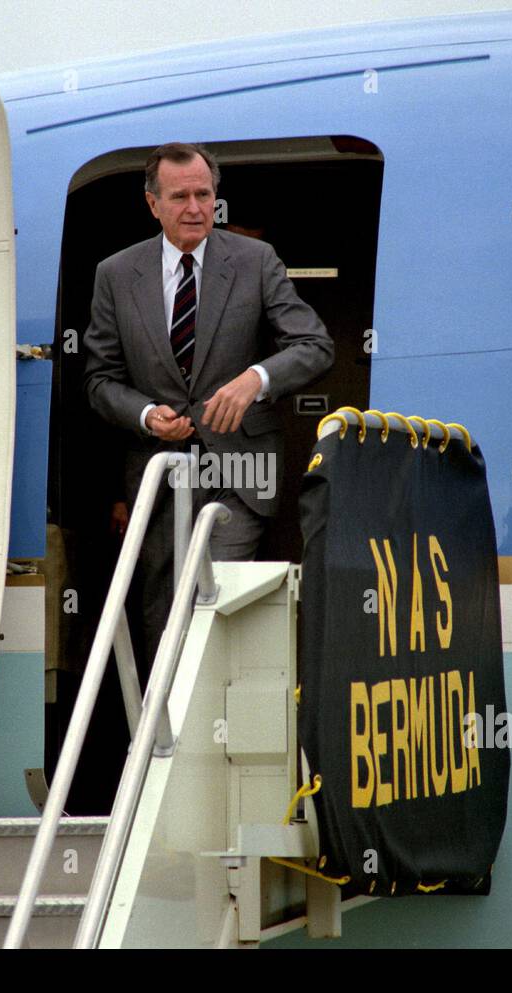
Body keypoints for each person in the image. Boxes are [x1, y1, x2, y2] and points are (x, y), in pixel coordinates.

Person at [84, 142, 333, 662]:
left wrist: (256, 379)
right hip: (159, 472)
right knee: (161, 608)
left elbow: (314, 345)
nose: (195, 208)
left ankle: (208, 735)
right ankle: (159, 738)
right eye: (180, 197)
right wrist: (147, 415)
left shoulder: (255, 260)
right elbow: (100, 381)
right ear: (153, 203)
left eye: (204, 194)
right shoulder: (114, 273)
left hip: (241, 470)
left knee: (213, 597)